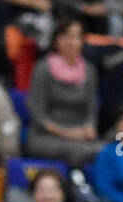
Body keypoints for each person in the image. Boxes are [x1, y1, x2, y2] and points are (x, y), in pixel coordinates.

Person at [25, 18, 103, 166]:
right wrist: (67, 133)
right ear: (56, 39)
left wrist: (89, 127)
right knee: (76, 152)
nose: (72, 42)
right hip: (46, 135)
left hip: (80, 135)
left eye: (76, 37)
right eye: (67, 36)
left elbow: (91, 108)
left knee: (109, 151)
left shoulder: (89, 70)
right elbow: (37, 112)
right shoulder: (43, 68)